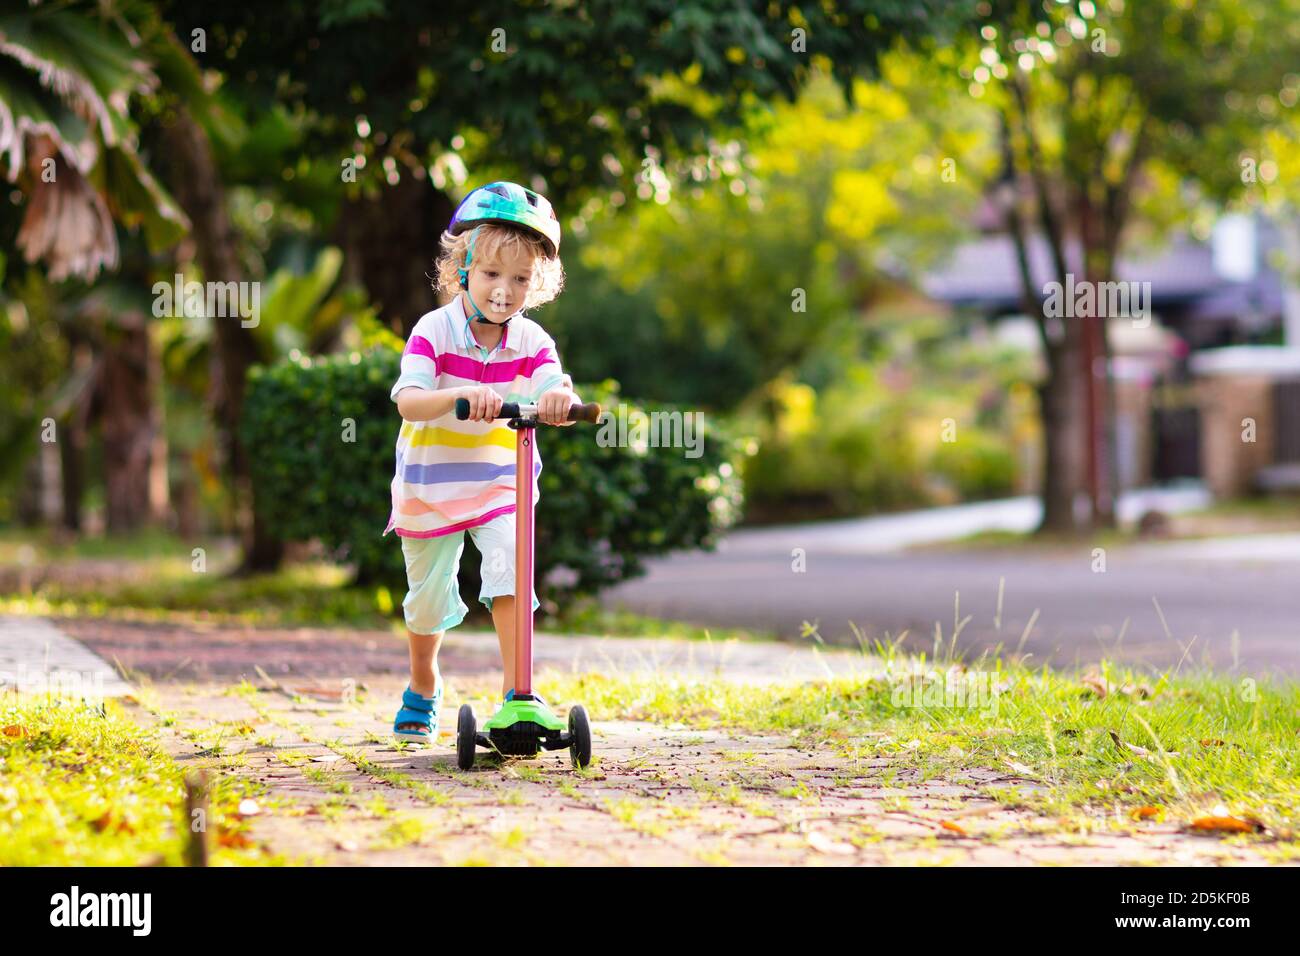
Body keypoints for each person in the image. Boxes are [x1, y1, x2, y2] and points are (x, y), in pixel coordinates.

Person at [383, 181, 580, 743]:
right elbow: (408, 398)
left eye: (521, 279)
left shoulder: (533, 339)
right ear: (463, 268)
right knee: (427, 600)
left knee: (511, 571)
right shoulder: (433, 330)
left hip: (500, 482)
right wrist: (458, 398)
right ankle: (423, 683)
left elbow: (551, 382)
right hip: (431, 486)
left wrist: (559, 399)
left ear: (536, 284)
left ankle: (519, 696)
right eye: (493, 274)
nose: (504, 290)